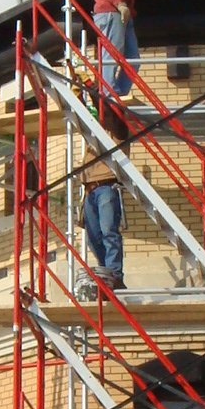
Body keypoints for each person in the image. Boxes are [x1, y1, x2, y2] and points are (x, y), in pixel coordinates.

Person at [79, 95, 129, 297]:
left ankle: (115, 275)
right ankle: (106, 274)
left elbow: (107, 108)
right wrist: (77, 90)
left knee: (109, 232)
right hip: (90, 189)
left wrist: (91, 87)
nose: (100, 116)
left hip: (107, 186)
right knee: (93, 238)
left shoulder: (118, 131)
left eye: (104, 114)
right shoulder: (95, 134)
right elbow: (80, 113)